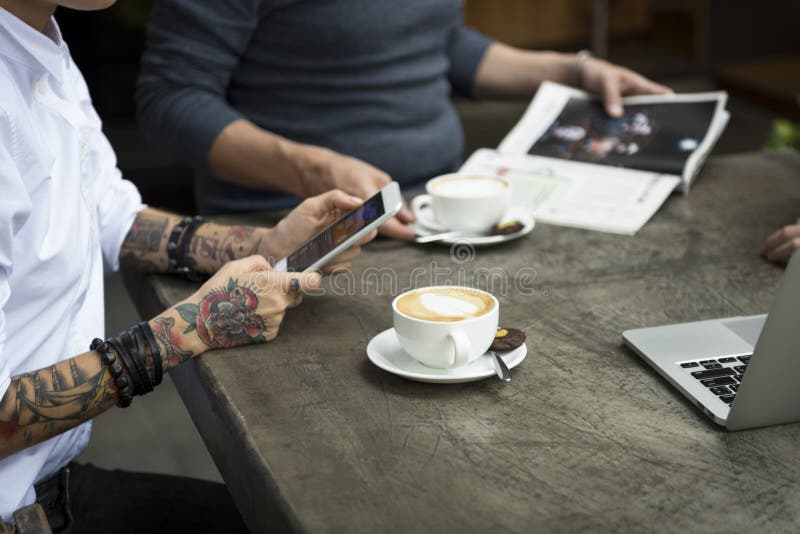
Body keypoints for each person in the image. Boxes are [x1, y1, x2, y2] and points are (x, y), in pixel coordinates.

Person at [0, 1, 374, 531]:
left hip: (52, 484)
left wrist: (267, 243)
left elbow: (109, 213)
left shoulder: (37, 41)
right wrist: (192, 327)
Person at [136, 0, 672, 241]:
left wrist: (570, 70)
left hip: (440, 208)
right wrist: (312, 170)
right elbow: (169, 101)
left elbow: (437, 43)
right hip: (298, 225)